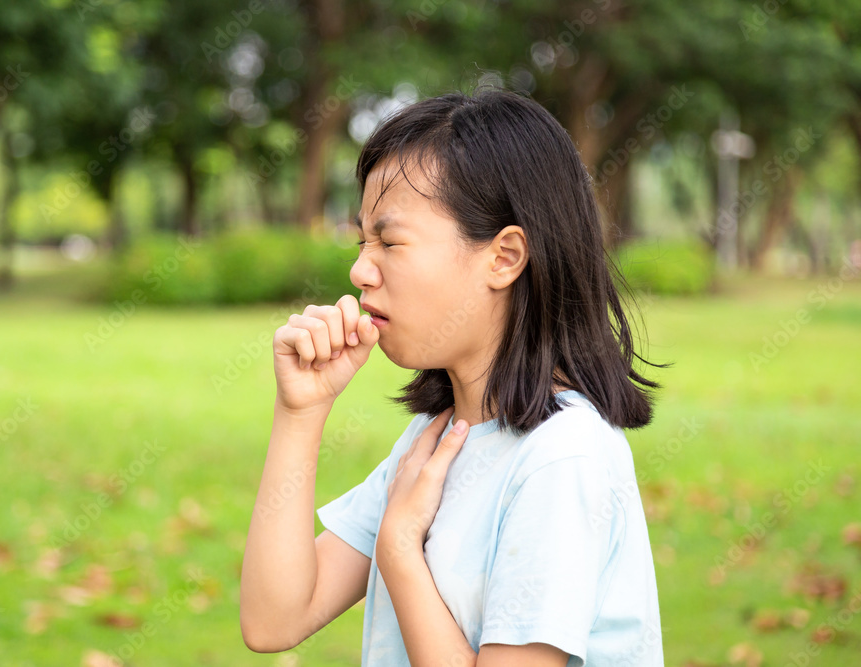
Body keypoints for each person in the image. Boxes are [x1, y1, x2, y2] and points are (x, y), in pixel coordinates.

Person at [240, 87, 667, 666]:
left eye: (389, 241)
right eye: (362, 239)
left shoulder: (562, 458)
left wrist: (398, 547)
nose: (360, 269)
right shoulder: (435, 441)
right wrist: (301, 413)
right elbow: (274, 619)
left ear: (504, 257)